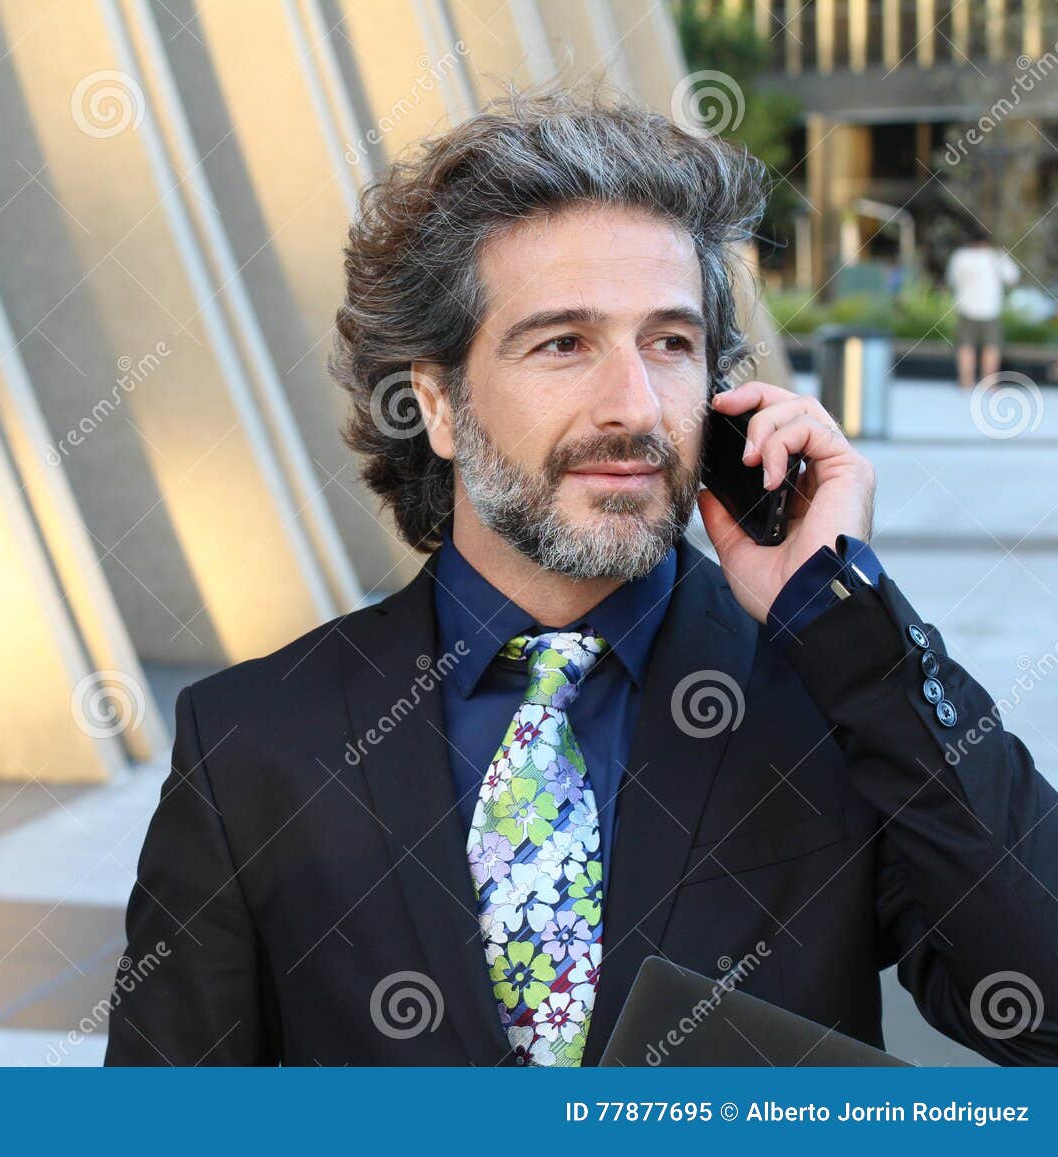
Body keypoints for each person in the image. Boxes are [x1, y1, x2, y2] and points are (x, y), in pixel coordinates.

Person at [104, 88, 1058, 1067]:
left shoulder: (837, 695)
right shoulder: (253, 744)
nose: (634, 404)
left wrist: (847, 613)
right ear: (434, 403)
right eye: (563, 343)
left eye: (670, 343)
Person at [945, 226, 1019, 390]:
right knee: (992, 347)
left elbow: (952, 280)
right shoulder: (996, 256)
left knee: (965, 346)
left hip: (966, 307)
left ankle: (966, 381)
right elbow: (1013, 278)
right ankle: (989, 383)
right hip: (991, 309)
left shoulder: (960, 256)